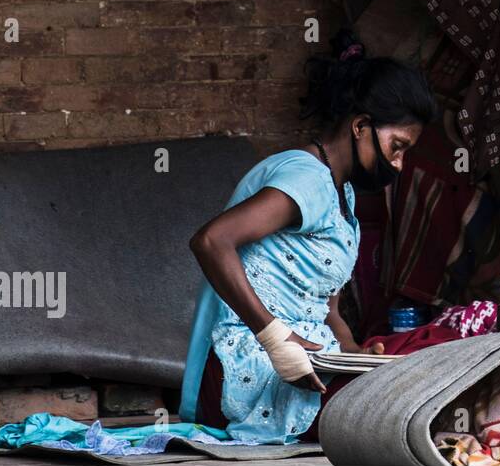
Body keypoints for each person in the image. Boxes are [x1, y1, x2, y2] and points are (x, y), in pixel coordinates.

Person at [177, 32, 437, 443]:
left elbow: (326, 310)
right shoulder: (306, 178)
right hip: (248, 367)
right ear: (361, 126)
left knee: (413, 380)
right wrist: (277, 340)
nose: (400, 165)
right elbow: (211, 241)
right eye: (397, 146)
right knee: (400, 412)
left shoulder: (341, 194)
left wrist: (355, 354)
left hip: (306, 360)